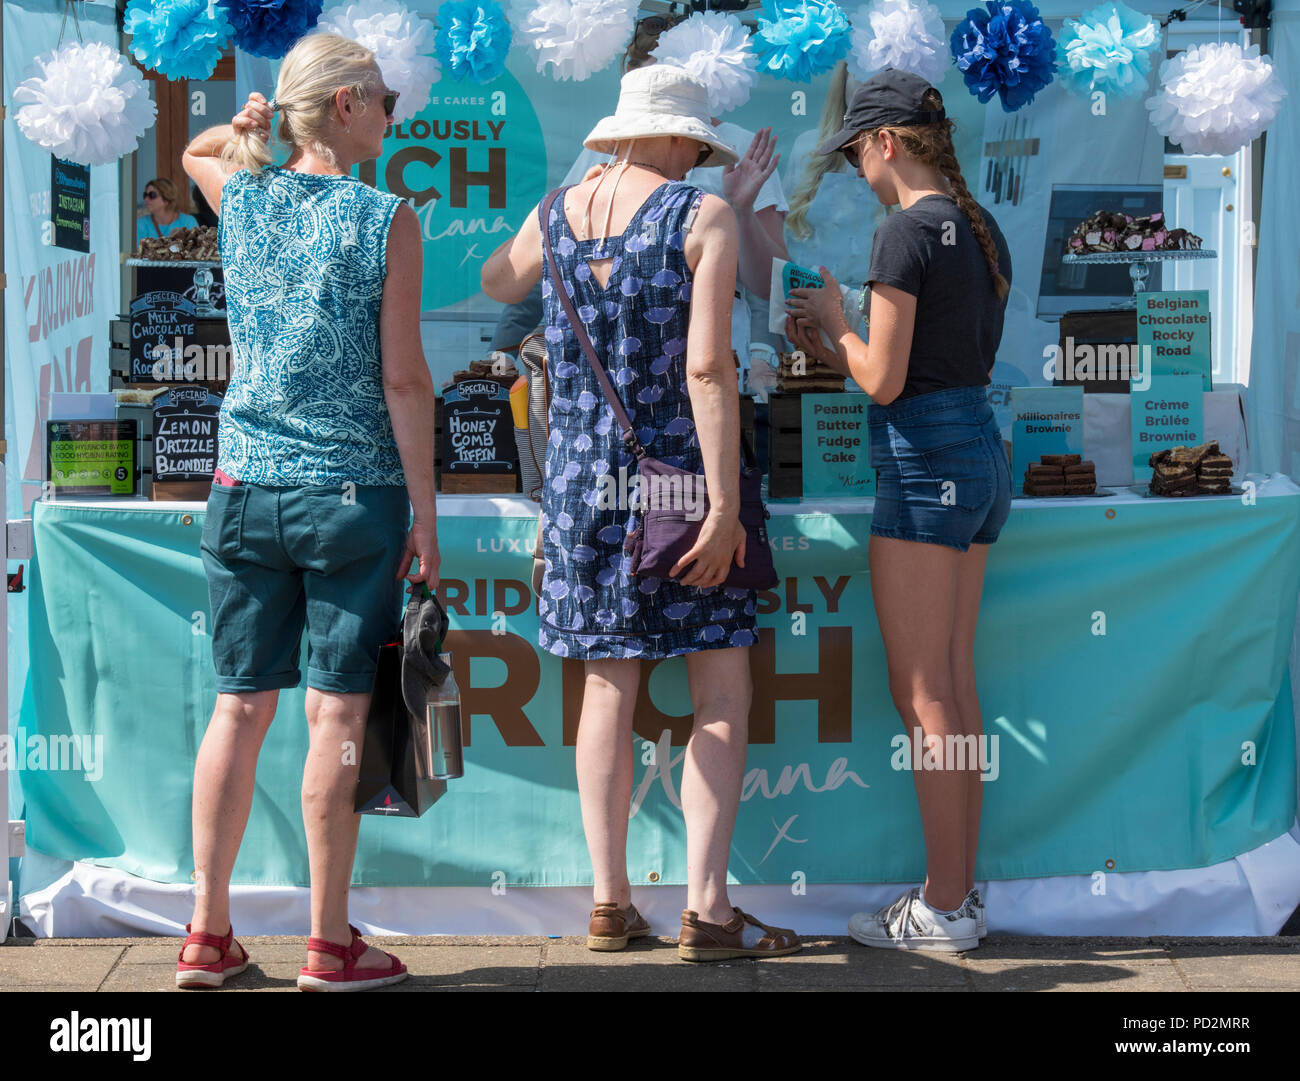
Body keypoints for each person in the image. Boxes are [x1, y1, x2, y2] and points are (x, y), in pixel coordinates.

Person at [481, 63, 800, 962]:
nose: (700, 157)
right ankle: (708, 908)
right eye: (696, 143)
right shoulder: (703, 217)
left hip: (583, 487)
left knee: (607, 690)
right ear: (674, 138)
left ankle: (609, 904)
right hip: (684, 485)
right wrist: (727, 501)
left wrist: (562, 225)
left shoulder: (559, 209)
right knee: (721, 689)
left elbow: (498, 281)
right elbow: (707, 370)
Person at [177, 33, 439, 990]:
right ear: (343, 106)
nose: (394, 110)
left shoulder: (242, 197)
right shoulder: (385, 219)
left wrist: (242, 126)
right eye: (383, 96)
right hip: (349, 494)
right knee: (336, 710)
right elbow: (406, 381)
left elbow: (195, 154)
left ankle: (207, 931)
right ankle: (328, 941)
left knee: (238, 707)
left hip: (242, 487)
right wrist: (428, 512)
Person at [785, 68, 1012, 952]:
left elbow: (881, 377)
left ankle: (946, 905)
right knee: (953, 682)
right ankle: (955, 894)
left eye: (855, 156)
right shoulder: (977, 223)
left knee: (926, 693)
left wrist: (836, 323)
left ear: (885, 142)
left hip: (926, 459)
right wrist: (839, 338)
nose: (854, 173)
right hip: (978, 452)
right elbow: (923, 363)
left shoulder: (903, 232)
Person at [136, 177, 199, 245]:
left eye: (152, 195)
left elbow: (197, 250)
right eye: (145, 195)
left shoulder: (188, 222)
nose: (146, 199)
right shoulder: (140, 224)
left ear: (166, 199)